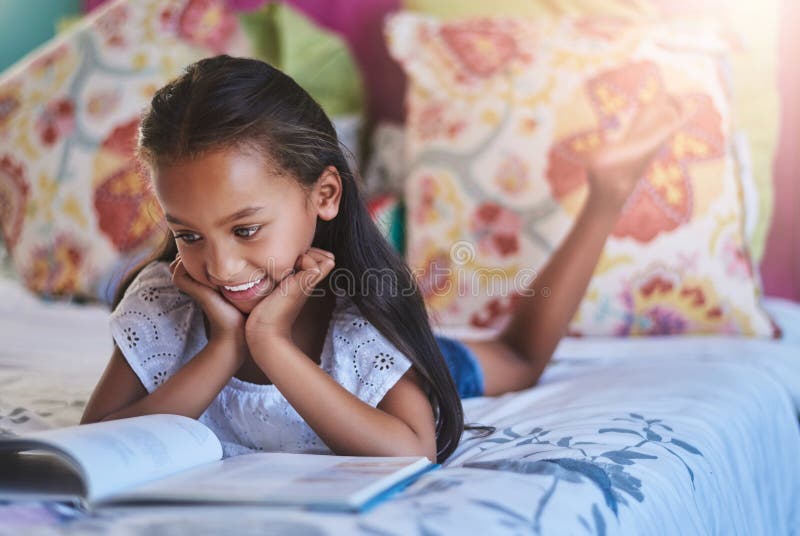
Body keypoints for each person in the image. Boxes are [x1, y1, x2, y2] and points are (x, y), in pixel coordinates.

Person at [81, 55, 687, 464]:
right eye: (187, 233)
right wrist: (222, 349)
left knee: (517, 359)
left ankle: (606, 193)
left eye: (245, 229)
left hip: (381, 369)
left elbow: (413, 445)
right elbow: (99, 443)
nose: (220, 267)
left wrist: (269, 343)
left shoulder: (360, 313)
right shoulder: (167, 301)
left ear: (324, 195)